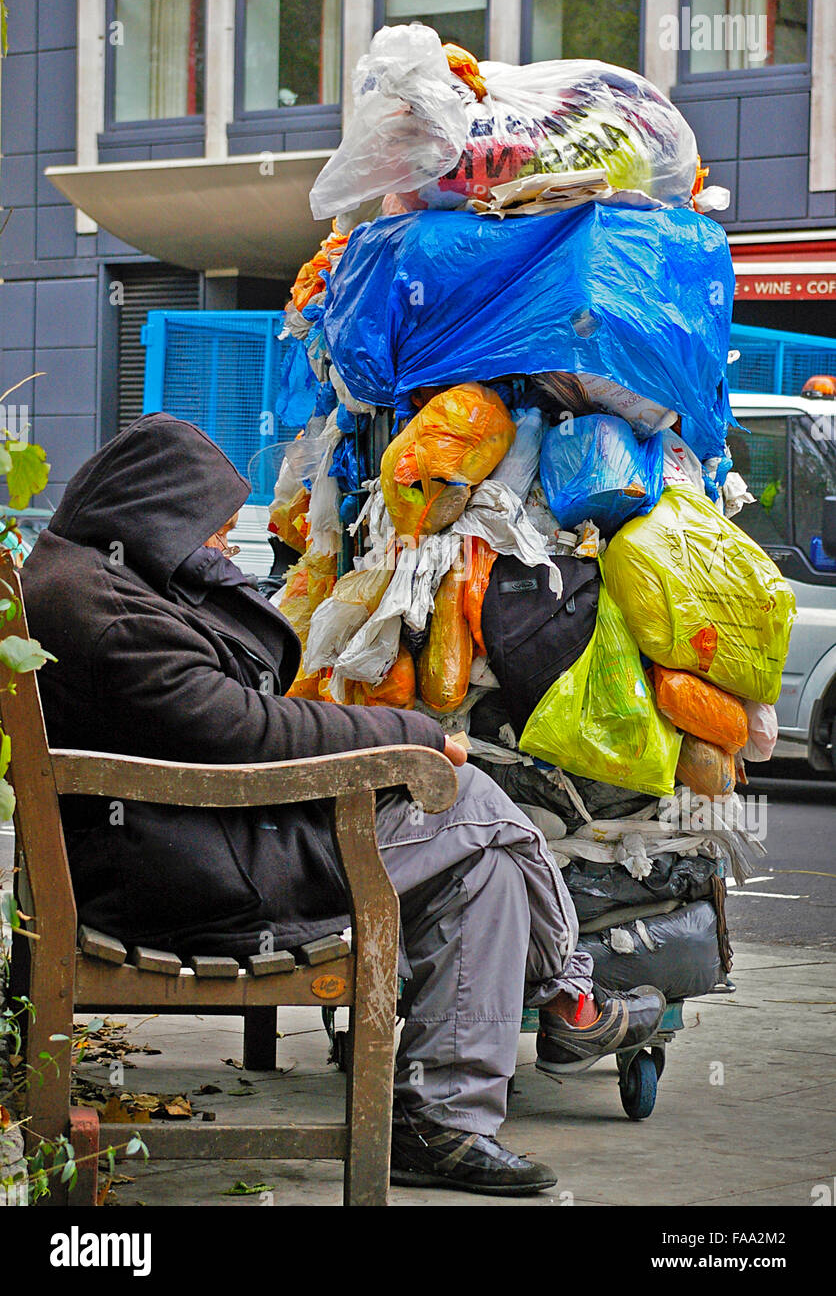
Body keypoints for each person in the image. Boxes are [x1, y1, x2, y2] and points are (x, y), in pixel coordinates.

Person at [22, 414, 665, 1197]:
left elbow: (214, 715)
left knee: (485, 864)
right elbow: (240, 731)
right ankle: (564, 1005)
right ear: (152, 517)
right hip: (186, 869)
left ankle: (456, 1115)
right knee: (473, 804)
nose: (223, 549)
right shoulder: (106, 610)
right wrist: (411, 734)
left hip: (180, 839)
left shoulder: (83, 574)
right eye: (213, 534)